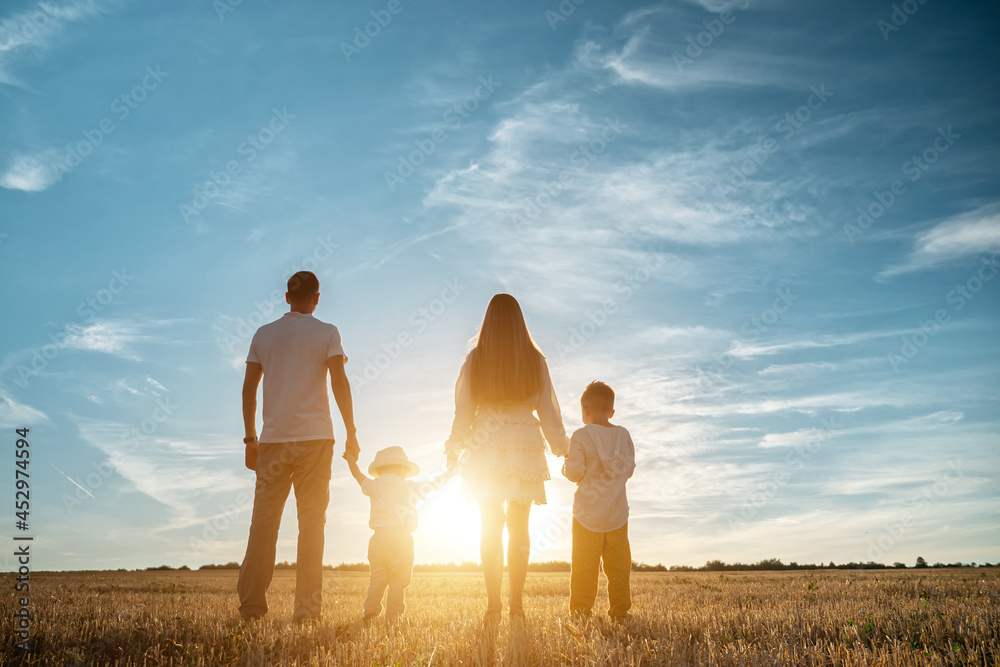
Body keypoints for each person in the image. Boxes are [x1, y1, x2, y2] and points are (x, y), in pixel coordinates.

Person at [238, 270, 359, 622]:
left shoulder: (263, 334)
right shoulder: (328, 332)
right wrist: (352, 431)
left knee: (263, 525)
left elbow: (248, 389)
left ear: (287, 298)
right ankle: (306, 613)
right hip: (317, 440)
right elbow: (340, 381)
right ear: (317, 298)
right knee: (311, 526)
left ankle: (251, 609)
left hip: (273, 442)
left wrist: (250, 438)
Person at [445, 293, 569, 624]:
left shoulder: (475, 359)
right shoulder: (534, 360)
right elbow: (549, 413)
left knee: (489, 527)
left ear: (488, 322)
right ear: (519, 322)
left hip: (485, 444)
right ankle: (516, 604)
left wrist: (453, 448)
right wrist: (563, 448)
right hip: (523, 443)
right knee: (519, 528)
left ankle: (493, 605)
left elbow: (463, 413)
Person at [345, 446, 454, 623]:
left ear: (379, 470)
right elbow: (434, 485)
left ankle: (370, 612)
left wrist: (350, 460)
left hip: (378, 538)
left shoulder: (374, 485)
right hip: (401, 539)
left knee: (378, 579)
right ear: (403, 469)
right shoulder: (409, 487)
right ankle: (393, 616)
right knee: (399, 580)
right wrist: (450, 472)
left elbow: (358, 476)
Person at [561, 381, 635, 621]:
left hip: (586, 515)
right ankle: (620, 612)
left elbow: (574, 473)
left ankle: (581, 613)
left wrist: (566, 462)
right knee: (619, 569)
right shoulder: (623, 435)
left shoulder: (580, 436)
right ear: (612, 411)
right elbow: (628, 469)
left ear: (584, 410)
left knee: (584, 567)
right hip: (617, 515)